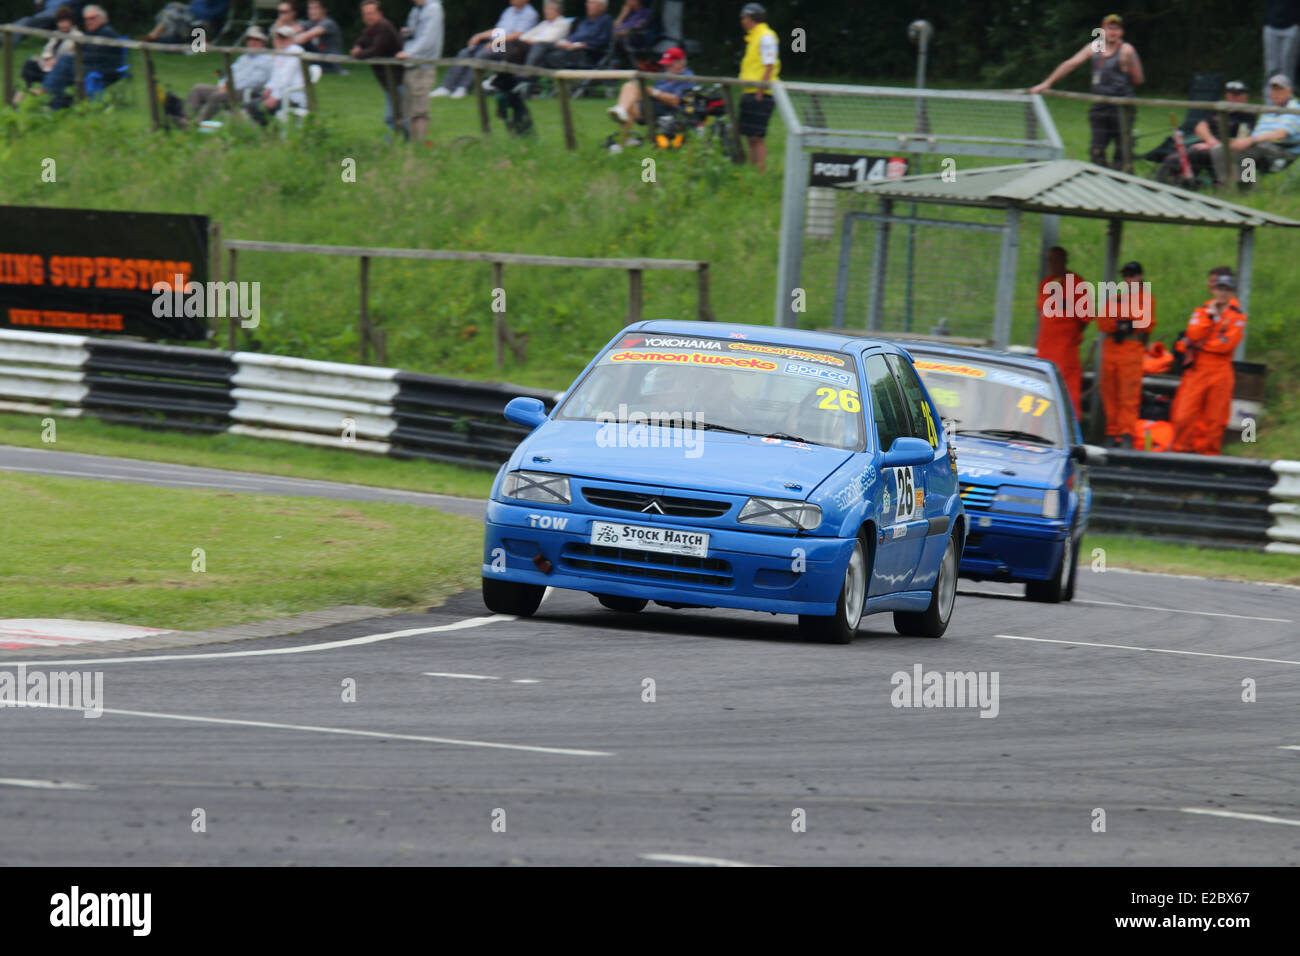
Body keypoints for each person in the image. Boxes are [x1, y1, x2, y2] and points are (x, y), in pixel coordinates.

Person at [1031, 13, 1144, 172]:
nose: (1113, 32)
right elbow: (1071, 64)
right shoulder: (1095, 47)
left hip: (1122, 108)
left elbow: (1138, 79)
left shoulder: (1127, 50)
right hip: (1099, 107)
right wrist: (1047, 83)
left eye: (1116, 29)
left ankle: (1120, 183)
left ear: (1122, 32)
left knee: (1122, 153)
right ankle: (1102, 181)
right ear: (1102, 30)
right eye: (1109, 28)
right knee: (1096, 151)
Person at [1170, 273, 1247, 455]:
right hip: (1197, 369)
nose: (1222, 292)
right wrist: (1210, 316)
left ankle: (1208, 456)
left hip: (1220, 370)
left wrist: (1201, 344)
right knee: (1184, 414)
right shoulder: (1202, 310)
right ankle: (1179, 451)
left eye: (1226, 289)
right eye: (1219, 288)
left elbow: (1226, 344)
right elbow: (1193, 334)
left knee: (1215, 418)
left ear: (1231, 292)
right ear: (1213, 289)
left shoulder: (1238, 315)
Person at [1097, 261, 1155, 448]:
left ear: (1139, 277)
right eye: (1126, 276)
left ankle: (1127, 434)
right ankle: (1112, 432)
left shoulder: (1146, 299)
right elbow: (1103, 322)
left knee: (1128, 395)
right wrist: (1122, 324)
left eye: (1131, 276)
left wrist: (1125, 324)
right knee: (1109, 393)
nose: (1128, 279)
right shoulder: (1115, 299)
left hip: (1131, 352)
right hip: (1112, 350)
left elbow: (1145, 322)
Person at [432, 0, 537, 98]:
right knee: (465, 52)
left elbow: (517, 35)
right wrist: (479, 35)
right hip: (496, 43)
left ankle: (464, 87)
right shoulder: (508, 11)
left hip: (511, 48)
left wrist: (495, 43)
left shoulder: (529, 14)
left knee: (482, 55)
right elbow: (498, 30)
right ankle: (446, 87)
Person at [1209, 74, 1300, 186]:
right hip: (1261, 145)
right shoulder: (1269, 110)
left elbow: (1280, 134)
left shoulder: (1295, 109)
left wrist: (1250, 141)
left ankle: (1247, 186)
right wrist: (1241, 141)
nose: (1275, 93)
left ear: (1289, 91)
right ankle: (1225, 184)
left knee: (1245, 151)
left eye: (1280, 90)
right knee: (1219, 149)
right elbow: (1257, 133)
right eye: (1273, 90)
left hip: (1282, 151)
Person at [1035, 245, 1092, 417]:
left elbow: (1086, 317)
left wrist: (1071, 334)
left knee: (1067, 390)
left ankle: (1070, 428)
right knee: (1042, 389)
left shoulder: (1076, 283)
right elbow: (1041, 313)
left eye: (1055, 260)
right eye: (1050, 260)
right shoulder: (1045, 283)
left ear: (1064, 261)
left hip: (1065, 350)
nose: (1052, 264)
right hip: (1045, 348)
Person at [605, 45, 694, 151]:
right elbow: (654, 93)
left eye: (670, 65)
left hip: (670, 109)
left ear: (680, 63)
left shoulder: (687, 77)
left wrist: (653, 92)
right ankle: (622, 111)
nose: (666, 67)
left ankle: (621, 139)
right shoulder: (666, 76)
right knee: (630, 87)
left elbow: (676, 100)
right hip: (656, 104)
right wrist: (646, 92)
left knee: (631, 103)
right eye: (666, 65)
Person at [179, 25, 271, 125]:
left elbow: (256, 82)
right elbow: (229, 73)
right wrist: (223, 84)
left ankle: (198, 123)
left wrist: (229, 87)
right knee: (198, 89)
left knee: (217, 96)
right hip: (228, 89)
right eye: (249, 39)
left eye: (256, 39)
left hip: (246, 93)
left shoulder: (266, 60)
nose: (252, 42)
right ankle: (184, 120)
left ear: (263, 42)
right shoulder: (244, 58)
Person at [40, 4, 121, 109]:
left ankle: (46, 92)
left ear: (102, 18)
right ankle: (56, 104)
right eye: (86, 19)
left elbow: (93, 56)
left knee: (64, 62)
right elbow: (86, 54)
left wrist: (75, 56)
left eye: (92, 18)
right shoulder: (91, 33)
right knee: (62, 65)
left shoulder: (106, 33)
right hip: (91, 66)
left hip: (104, 71)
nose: (89, 21)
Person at [738, 2, 780, 173]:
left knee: (757, 136)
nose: (741, 21)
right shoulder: (753, 37)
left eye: (743, 17)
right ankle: (753, 169)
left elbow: (769, 66)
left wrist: (761, 91)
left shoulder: (766, 36)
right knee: (750, 136)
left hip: (761, 93)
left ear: (751, 18)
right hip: (750, 92)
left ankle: (761, 171)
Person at [351, 0, 402, 135]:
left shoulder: (384, 27)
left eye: (371, 13)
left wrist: (358, 54)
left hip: (397, 80)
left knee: (393, 116)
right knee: (398, 115)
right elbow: (361, 41)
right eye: (365, 14)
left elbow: (376, 50)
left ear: (379, 14)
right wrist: (357, 47)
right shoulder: (371, 29)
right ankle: (404, 144)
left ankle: (393, 146)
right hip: (388, 81)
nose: (368, 17)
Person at [396, 0, 442, 143]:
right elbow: (415, 34)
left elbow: (428, 39)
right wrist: (407, 32)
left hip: (423, 65)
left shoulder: (434, 8)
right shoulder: (416, 10)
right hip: (410, 65)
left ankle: (420, 145)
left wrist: (409, 53)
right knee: (409, 110)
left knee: (420, 110)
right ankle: (412, 146)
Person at [245, 23, 305, 124]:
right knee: (250, 104)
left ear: (291, 39)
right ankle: (268, 132)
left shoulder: (295, 52)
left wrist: (275, 97)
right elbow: (275, 75)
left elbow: (285, 78)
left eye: (284, 37)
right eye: (279, 37)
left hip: (292, 96)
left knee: (258, 107)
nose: (281, 40)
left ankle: (270, 133)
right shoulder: (281, 52)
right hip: (280, 93)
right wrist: (268, 88)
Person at [19, 5, 79, 96]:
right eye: (60, 21)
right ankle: (23, 90)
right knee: (30, 61)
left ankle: (40, 91)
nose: (63, 24)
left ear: (71, 22)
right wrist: (48, 58)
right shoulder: (55, 34)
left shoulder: (78, 36)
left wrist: (56, 62)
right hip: (48, 66)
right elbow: (47, 49)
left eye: (65, 21)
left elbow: (72, 56)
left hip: (61, 70)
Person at [542, 0, 611, 69]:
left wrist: (581, 45)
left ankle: (533, 76)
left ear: (602, 7)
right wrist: (567, 42)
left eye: (591, 3)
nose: (587, 5)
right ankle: (533, 75)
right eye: (587, 2)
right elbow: (575, 36)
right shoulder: (585, 21)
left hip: (586, 55)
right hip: (571, 49)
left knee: (550, 56)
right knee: (543, 46)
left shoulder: (605, 20)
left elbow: (601, 42)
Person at [138, 0, 229, 44]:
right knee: (171, 8)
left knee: (171, 13)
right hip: (191, 13)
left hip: (199, 18)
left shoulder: (221, 3)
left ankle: (154, 35)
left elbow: (214, 14)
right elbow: (196, 4)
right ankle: (156, 35)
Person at [294, 0, 344, 72]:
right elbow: (292, 30)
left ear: (324, 10)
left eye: (316, 8)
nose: (312, 11)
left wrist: (288, 40)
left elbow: (305, 37)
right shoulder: (308, 23)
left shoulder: (328, 23)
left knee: (301, 43)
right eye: (310, 8)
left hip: (329, 63)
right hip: (317, 59)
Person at [1265, 0, 1300, 89]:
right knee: (1272, 67)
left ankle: (1287, 98)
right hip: (1271, 26)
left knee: (1287, 67)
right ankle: (1270, 98)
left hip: (1291, 26)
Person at [611, 0, 659, 65]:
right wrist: (622, 15)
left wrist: (621, 32)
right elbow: (613, 28)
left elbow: (638, 28)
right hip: (619, 41)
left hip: (636, 41)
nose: (626, 2)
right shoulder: (628, 15)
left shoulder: (646, 13)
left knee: (616, 39)